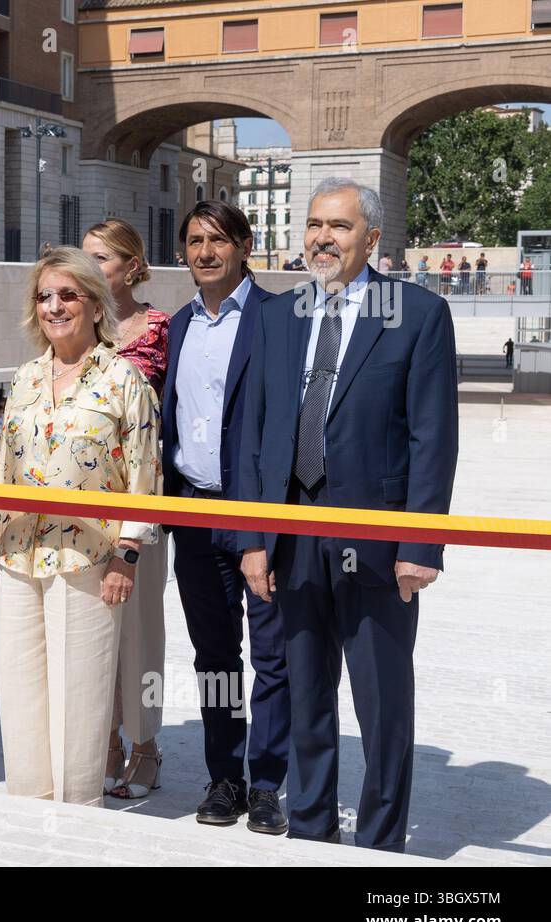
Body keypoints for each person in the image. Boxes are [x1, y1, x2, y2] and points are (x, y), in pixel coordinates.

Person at [239, 178, 458, 852]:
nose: (321, 238)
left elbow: (433, 437)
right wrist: (253, 538)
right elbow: (256, 433)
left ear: (372, 238)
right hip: (294, 534)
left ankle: (382, 841)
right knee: (305, 694)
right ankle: (308, 830)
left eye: (338, 226)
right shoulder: (277, 316)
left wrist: (421, 545)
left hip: (379, 542)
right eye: (313, 224)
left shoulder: (416, 314)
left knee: (381, 701)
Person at [0, 247, 160, 806]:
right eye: (44, 296)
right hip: (15, 556)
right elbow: (3, 467)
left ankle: (78, 811)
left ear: (95, 305)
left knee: (80, 696)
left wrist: (127, 555)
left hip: (88, 561)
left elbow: (144, 476)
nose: (54, 306)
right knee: (21, 690)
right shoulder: (25, 378)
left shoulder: (125, 380)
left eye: (68, 295)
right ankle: (29, 809)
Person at [162, 200, 289, 834]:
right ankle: (225, 778)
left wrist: (265, 525)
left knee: (271, 656)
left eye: (217, 240)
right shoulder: (180, 325)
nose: (204, 252)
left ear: (243, 246)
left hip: (257, 516)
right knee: (214, 655)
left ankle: (267, 784)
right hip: (192, 511)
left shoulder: (278, 318)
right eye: (193, 241)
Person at [81, 219, 171, 799]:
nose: (91, 270)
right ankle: (105, 740)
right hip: (82, 502)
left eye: (103, 260)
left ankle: (145, 744)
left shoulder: (162, 327)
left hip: (139, 496)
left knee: (141, 630)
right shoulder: (72, 323)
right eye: (84, 258)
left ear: (132, 266)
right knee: (91, 626)